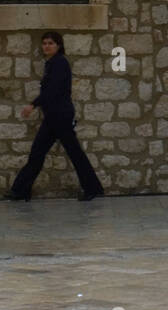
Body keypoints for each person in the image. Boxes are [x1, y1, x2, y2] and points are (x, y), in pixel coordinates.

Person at [7, 32, 104, 203]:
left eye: (50, 43)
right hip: (53, 117)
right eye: (44, 43)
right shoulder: (52, 63)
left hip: (60, 117)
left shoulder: (59, 63)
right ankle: (21, 190)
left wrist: (33, 104)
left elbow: (52, 90)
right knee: (39, 153)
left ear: (58, 45)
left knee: (70, 153)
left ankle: (92, 188)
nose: (47, 46)